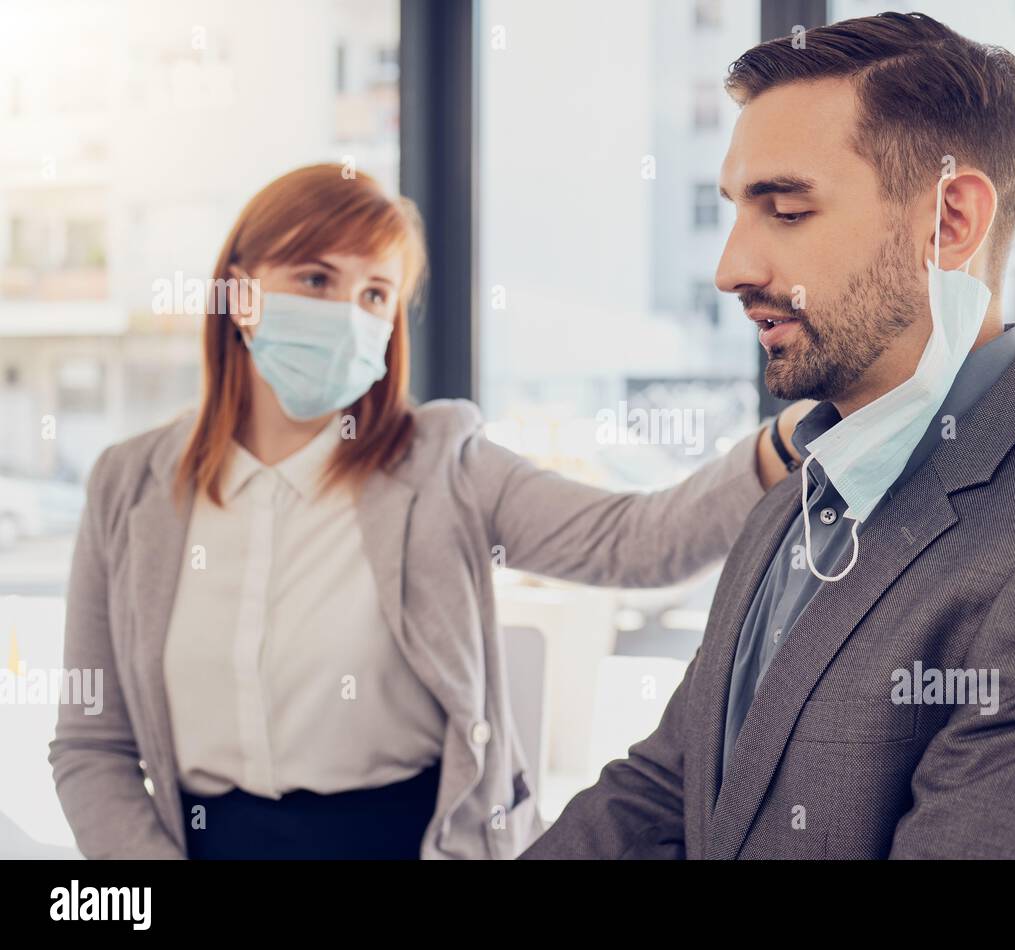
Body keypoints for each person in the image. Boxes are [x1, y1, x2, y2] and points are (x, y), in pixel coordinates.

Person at [521, 12, 1015, 860]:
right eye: (735, 211)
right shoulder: (793, 504)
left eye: (786, 211)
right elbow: (665, 792)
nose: (731, 270)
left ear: (950, 222)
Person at [48, 163, 813, 860]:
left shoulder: (446, 463)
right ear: (241, 295)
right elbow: (92, 747)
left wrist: (787, 440)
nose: (347, 315)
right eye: (316, 279)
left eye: (374, 295)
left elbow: (636, 544)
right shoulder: (129, 484)